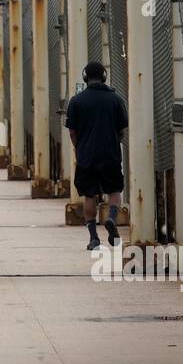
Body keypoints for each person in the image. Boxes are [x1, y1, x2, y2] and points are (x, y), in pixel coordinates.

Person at [64, 61, 128, 251]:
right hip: (110, 154)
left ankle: (93, 238)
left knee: (89, 194)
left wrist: (79, 148)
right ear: (104, 76)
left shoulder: (76, 101)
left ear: (85, 77)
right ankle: (111, 217)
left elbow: (72, 132)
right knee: (115, 190)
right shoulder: (116, 100)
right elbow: (121, 129)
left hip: (86, 156)